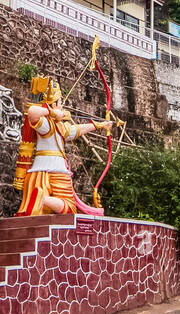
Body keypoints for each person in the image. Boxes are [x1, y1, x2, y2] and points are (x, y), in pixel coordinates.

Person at [13, 75, 113, 216]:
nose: (62, 106)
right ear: (54, 105)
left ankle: (44, 200)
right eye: (60, 103)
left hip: (47, 169)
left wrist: (100, 125)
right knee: (70, 207)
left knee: (64, 208)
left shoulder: (60, 127)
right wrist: (51, 112)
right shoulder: (47, 126)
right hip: (55, 170)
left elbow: (78, 129)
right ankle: (44, 199)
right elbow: (32, 113)